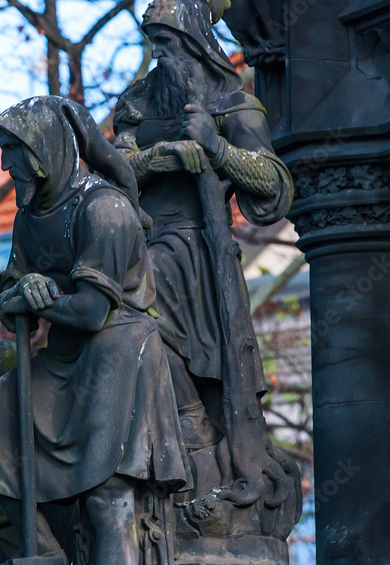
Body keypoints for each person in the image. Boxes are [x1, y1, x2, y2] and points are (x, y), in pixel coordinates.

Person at [0, 96, 188, 565]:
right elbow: (9, 297)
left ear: (45, 151)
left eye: (12, 152)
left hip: (117, 355)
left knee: (110, 505)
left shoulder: (104, 210)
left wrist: (42, 297)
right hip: (61, 359)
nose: (5, 166)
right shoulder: (29, 212)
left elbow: (90, 311)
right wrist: (19, 299)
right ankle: (46, 557)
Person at [112, 0, 297, 528]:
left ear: (193, 41)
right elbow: (115, 165)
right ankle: (171, 438)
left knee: (138, 302)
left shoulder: (234, 101)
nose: (159, 52)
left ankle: (199, 437)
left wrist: (218, 149)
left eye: (167, 41)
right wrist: (161, 157)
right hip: (142, 243)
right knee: (122, 312)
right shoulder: (140, 100)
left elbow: (274, 183)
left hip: (196, 252)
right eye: (153, 42)